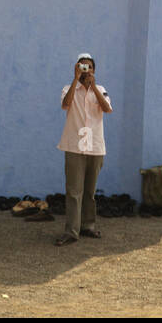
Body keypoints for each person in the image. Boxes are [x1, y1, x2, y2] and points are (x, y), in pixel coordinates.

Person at [56, 53, 111, 247]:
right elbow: (65, 104)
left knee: (90, 191)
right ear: (76, 68)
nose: (85, 70)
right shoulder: (68, 88)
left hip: (95, 146)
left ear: (94, 70)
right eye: (82, 67)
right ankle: (71, 230)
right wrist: (75, 80)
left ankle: (87, 225)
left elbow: (107, 109)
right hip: (74, 145)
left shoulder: (101, 90)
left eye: (88, 67)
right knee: (73, 191)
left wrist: (93, 86)